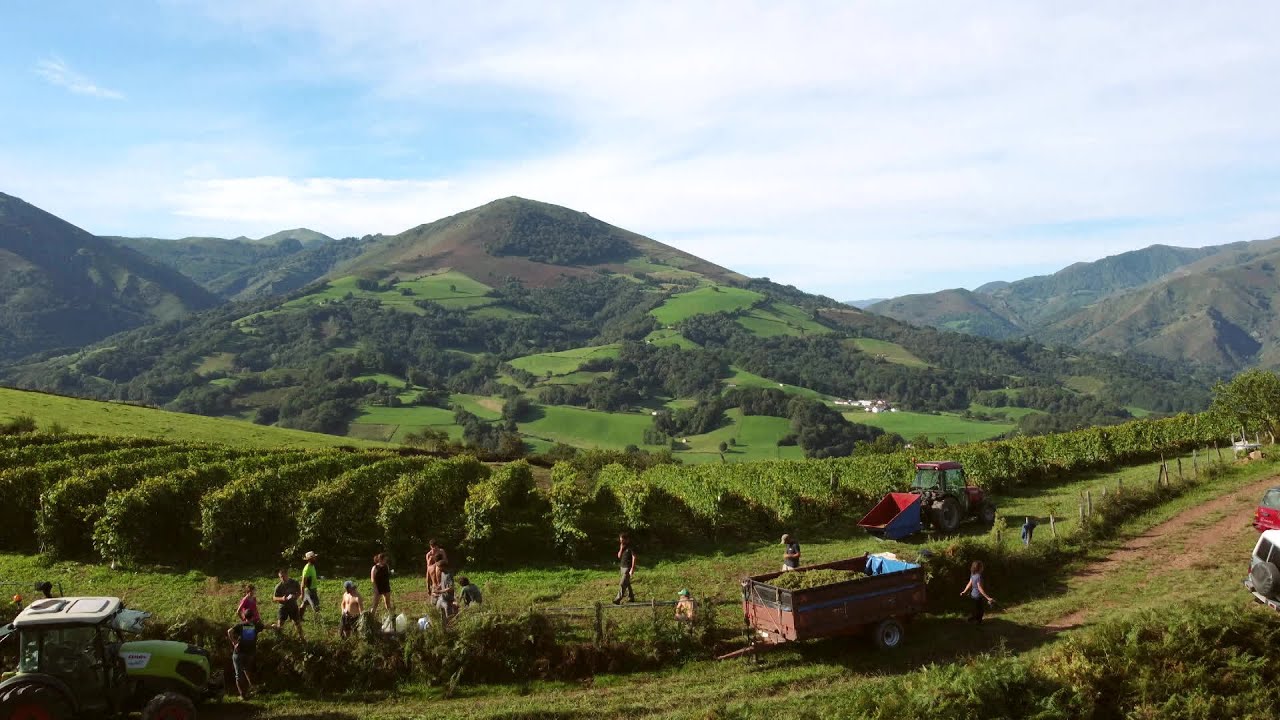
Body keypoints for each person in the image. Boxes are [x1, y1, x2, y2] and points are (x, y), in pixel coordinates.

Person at [226, 618, 257, 699]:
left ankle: (242, 695)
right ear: (252, 616)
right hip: (249, 653)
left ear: (244, 617)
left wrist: (234, 642)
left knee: (238, 674)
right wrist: (276, 626)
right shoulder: (256, 625)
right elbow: (266, 626)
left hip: (239, 653)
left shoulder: (241, 625)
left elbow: (229, 631)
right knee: (247, 670)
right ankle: (252, 689)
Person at [960, 560, 996, 625]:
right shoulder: (979, 576)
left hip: (973, 595)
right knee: (980, 611)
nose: (983, 567)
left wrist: (964, 591)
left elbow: (969, 584)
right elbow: (980, 588)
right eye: (982, 566)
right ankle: (977, 622)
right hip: (978, 596)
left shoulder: (973, 574)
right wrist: (988, 598)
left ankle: (971, 620)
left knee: (976, 609)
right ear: (979, 568)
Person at [272, 569, 305, 640]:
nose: (282, 578)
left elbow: (299, 592)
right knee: (280, 623)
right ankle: (278, 637)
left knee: (297, 623)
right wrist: (282, 598)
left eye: (283, 576)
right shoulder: (278, 586)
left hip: (293, 606)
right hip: (283, 607)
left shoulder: (294, 583)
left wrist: (295, 596)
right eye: (281, 577)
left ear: (287, 575)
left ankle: (301, 638)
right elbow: (274, 598)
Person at [613, 532, 636, 605]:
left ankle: (617, 599)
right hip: (622, 567)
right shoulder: (622, 546)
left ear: (627, 539)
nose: (621, 541)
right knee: (627, 583)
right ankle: (631, 597)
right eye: (620, 540)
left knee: (622, 583)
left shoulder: (631, 546)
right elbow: (619, 556)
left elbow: (634, 557)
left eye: (622, 540)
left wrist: (632, 568)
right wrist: (621, 548)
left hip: (627, 567)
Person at [370, 553, 394, 619]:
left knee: (388, 603)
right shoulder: (375, 568)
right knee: (375, 604)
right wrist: (375, 589)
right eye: (385, 559)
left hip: (386, 587)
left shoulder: (386, 566)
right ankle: (370, 618)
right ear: (380, 559)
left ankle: (391, 617)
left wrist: (391, 573)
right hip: (378, 588)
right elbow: (372, 579)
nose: (386, 560)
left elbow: (387, 574)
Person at [299, 551, 321, 623]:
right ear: (309, 559)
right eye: (314, 557)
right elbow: (303, 583)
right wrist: (302, 594)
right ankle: (317, 622)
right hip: (310, 590)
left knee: (304, 603)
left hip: (311, 589)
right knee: (316, 605)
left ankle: (299, 617)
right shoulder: (307, 569)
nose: (315, 558)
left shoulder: (312, 566)